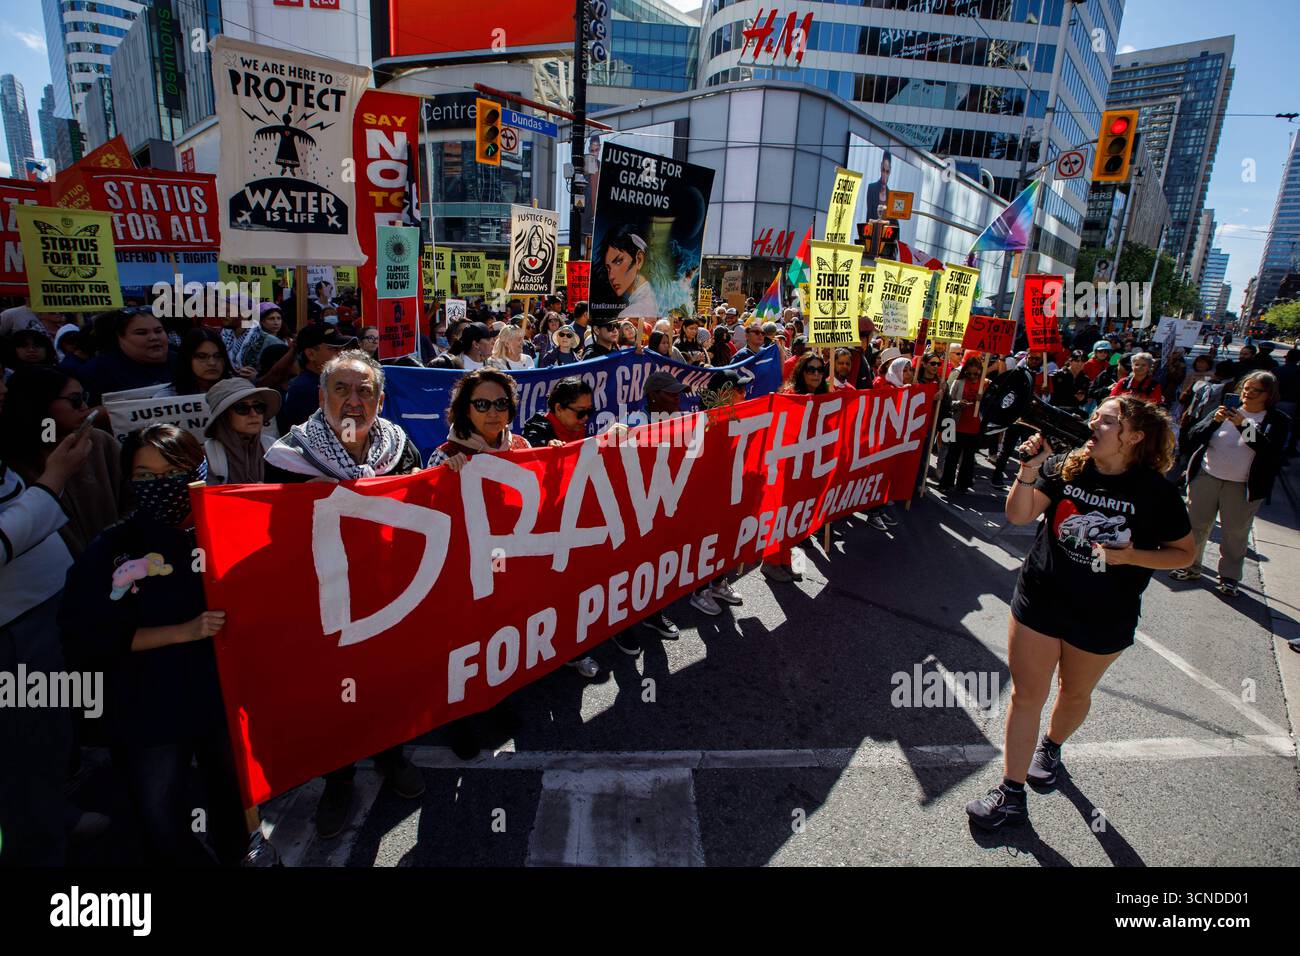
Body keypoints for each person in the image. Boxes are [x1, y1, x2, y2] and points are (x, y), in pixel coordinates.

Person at [966, 398, 1194, 830]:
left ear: (1135, 436)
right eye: (1096, 415)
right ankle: (1011, 794)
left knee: (1073, 693)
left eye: (1108, 420)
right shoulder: (1069, 466)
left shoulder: (1156, 492)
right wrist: (1029, 467)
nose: (1094, 422)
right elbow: (1019, 513)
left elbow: (1183, 553)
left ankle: (1051, 746)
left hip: (1104, 614)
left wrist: (1131, 558)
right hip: (1041, 598)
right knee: (1026, 695)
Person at [59, 424, 253, 864]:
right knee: (159, 811)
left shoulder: (227, 526)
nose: (160, 484)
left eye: (173, 470)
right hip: (148, 705)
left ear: (200, 468)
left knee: (231, 796)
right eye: (145, 476)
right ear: (129, 481)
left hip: (218, 697)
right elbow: (86, 633)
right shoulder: (114, 549)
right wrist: (184, 631)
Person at [261, 351, 425, 835]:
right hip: (326, 598)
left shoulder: (400, 448)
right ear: (321, 396)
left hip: (390, 592)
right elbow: (278, 536)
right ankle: (339, 777)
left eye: (365, 391)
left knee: (389, 681)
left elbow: (424, 508)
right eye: (342, 390)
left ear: (379, 399)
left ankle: (392, 756)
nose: (354, 401)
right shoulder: (288, 459)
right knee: (336, 694)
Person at [0, 392, 97, 865]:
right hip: (13, 630)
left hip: (42, 612)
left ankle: (51, 814)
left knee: (48, 738)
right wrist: (53, 481)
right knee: (23, 749)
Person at [1171, 371, 1289, 597]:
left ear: (1269, 395)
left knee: (1235, 532)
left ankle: (1229, 576)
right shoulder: (1222, 412)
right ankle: (1189, 565)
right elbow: (1192, 438)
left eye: (1256, 390)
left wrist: (1244, 425)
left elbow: (1270, 453)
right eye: (1246, 387)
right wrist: (1212, 423)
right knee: (1196, 525)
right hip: (1207, 476)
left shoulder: (1276, 421)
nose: (1248, 393)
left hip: (1242, 486)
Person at [0, 366, 125, 555]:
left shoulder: (99, 442)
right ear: (40, 402)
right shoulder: (12, 462)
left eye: (85, 397)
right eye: (75, 400)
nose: (84, 406)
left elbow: (131, 497)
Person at [79, 309, 176, 404]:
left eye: (158, 331)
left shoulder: (182, 361)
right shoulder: (96, 371)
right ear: (120, 337)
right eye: (141, 333)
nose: (154, 337)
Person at [276, 323, 355, 433]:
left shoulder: (325, 382)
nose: (341, 354)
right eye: (334, 349)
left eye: (342, 348)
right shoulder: (305, 388)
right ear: (311, 354)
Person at [202, 378, 281, 485]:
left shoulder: (275, 448)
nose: (254, 414)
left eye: (258, 406)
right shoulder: (205, 457)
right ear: (224, 416)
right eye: (242, 408)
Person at [939, 351, 984, 493]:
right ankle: (946, 483)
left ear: (980, 373)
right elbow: (949, 402)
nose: (972, 377)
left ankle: (963, 484)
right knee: (952, 456)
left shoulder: (985, 385)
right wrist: (959, 403)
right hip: (957, 425)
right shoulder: (958, 383)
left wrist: (982, 399)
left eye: (975, 374)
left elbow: (990, 405)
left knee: (968, 459)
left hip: (974, 426)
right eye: (969, 373)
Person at [600, 225, 657, 320]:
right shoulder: (653, 299)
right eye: (608, 268)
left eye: (618, 261)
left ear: (639, 259)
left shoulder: (630, 313)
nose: (611, 276)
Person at [156, 328, 233, 397]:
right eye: (202, 356)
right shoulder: (166, 397)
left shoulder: (238, 391)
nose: (212, 363)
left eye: (218, 356)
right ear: (187, 359)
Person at [521, 375, 594, 447]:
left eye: (589, 410)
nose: (586, 417)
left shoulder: (589, 428)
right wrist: (546, 448)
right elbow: (531, 450)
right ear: (559, 408)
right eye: (581, 412)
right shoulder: (537, 430)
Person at [1275, 348, 1299, 457]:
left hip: (1276, 402)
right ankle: (1287, 449)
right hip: (1293, 404)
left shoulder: (1276, 370)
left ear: (1286, 358)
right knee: (1290, 429)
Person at [1050, 350, 1090, 415]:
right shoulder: (1057, 375)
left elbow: (1083, 401)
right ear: (1070, 361)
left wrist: (1082, 399)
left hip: (1073, 410)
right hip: (1056, 408)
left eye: (1083, 361)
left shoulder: (1085, 379)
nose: (1080, 363)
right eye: (1077, 361)